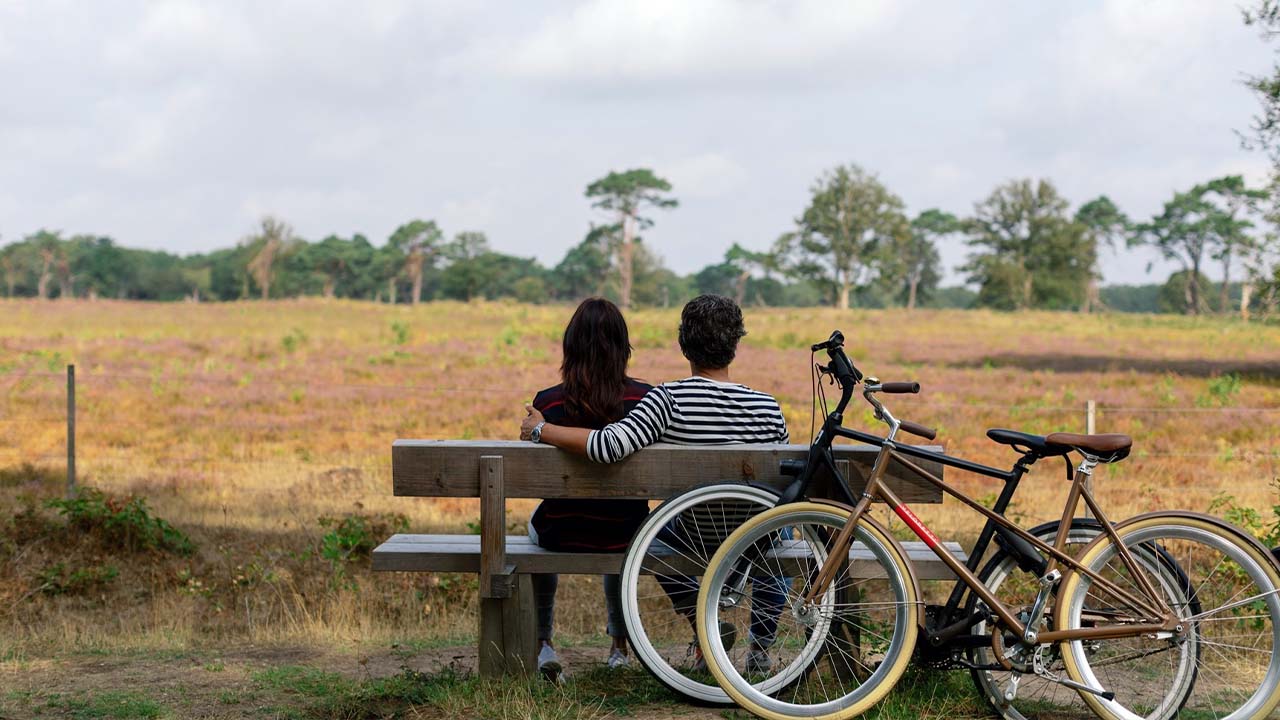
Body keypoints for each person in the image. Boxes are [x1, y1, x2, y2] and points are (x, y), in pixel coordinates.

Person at [521, 294, 789, 674]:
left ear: (683, 345)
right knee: (784, 529)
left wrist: (541, 429)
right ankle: (759, 650)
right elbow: (779, 479)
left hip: (694, 531)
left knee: (645, 531)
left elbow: (609, 446)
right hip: (752, 534)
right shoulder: (768, 406)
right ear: (736, 345)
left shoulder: (667, 400)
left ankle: (700, 620)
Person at [524, 297, 653, 682]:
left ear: (571, 347)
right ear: (623, 347)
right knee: (620, 531)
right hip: (626, 533)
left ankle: (543, 644)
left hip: (561, 532)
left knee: (532, 533)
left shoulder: (547, 403)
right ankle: (619, 648)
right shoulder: (645, 401)